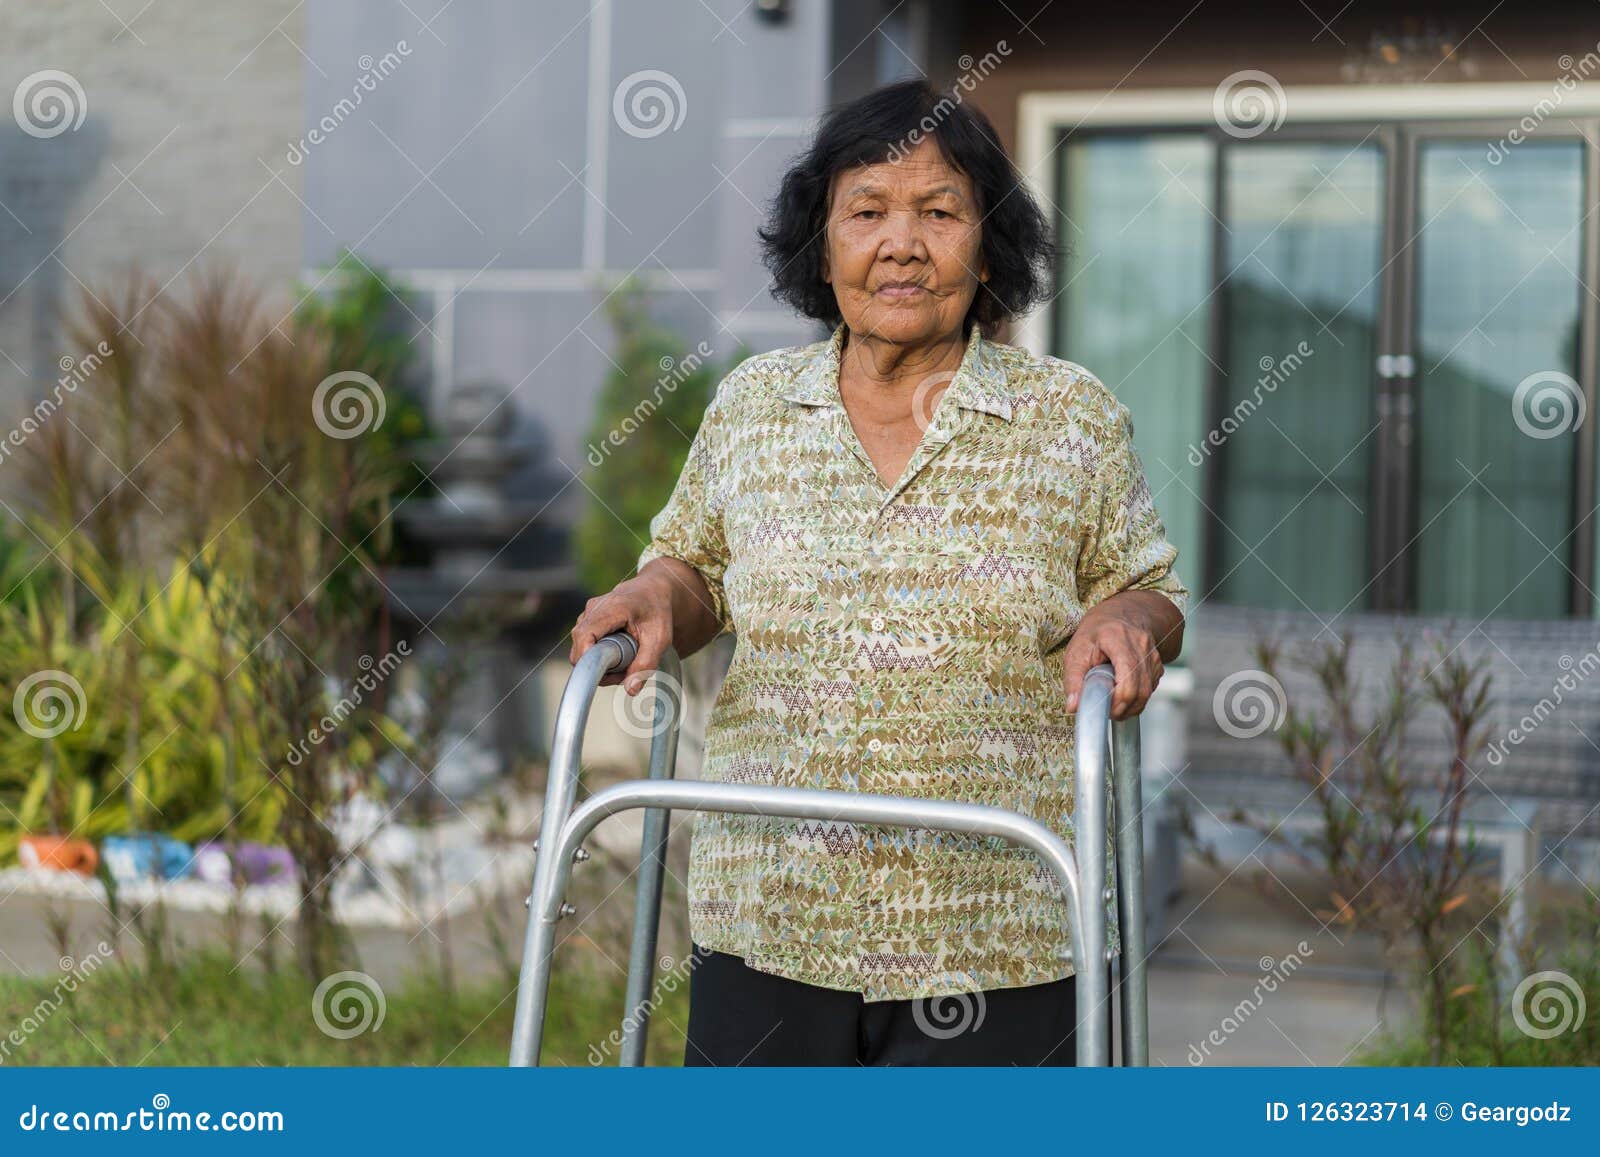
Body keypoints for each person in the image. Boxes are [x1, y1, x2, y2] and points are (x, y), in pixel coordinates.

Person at [569, 77, 1187, 1066]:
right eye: (866, 212)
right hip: (773, 913)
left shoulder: (1067, 414)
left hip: (1000, 930)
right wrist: (650, 594)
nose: (902, 242)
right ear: (823, 241)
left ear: (987, 245)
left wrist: (1125, 620)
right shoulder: (755, 405)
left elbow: (1148, 587)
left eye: (939, 212)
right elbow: (695, 571)